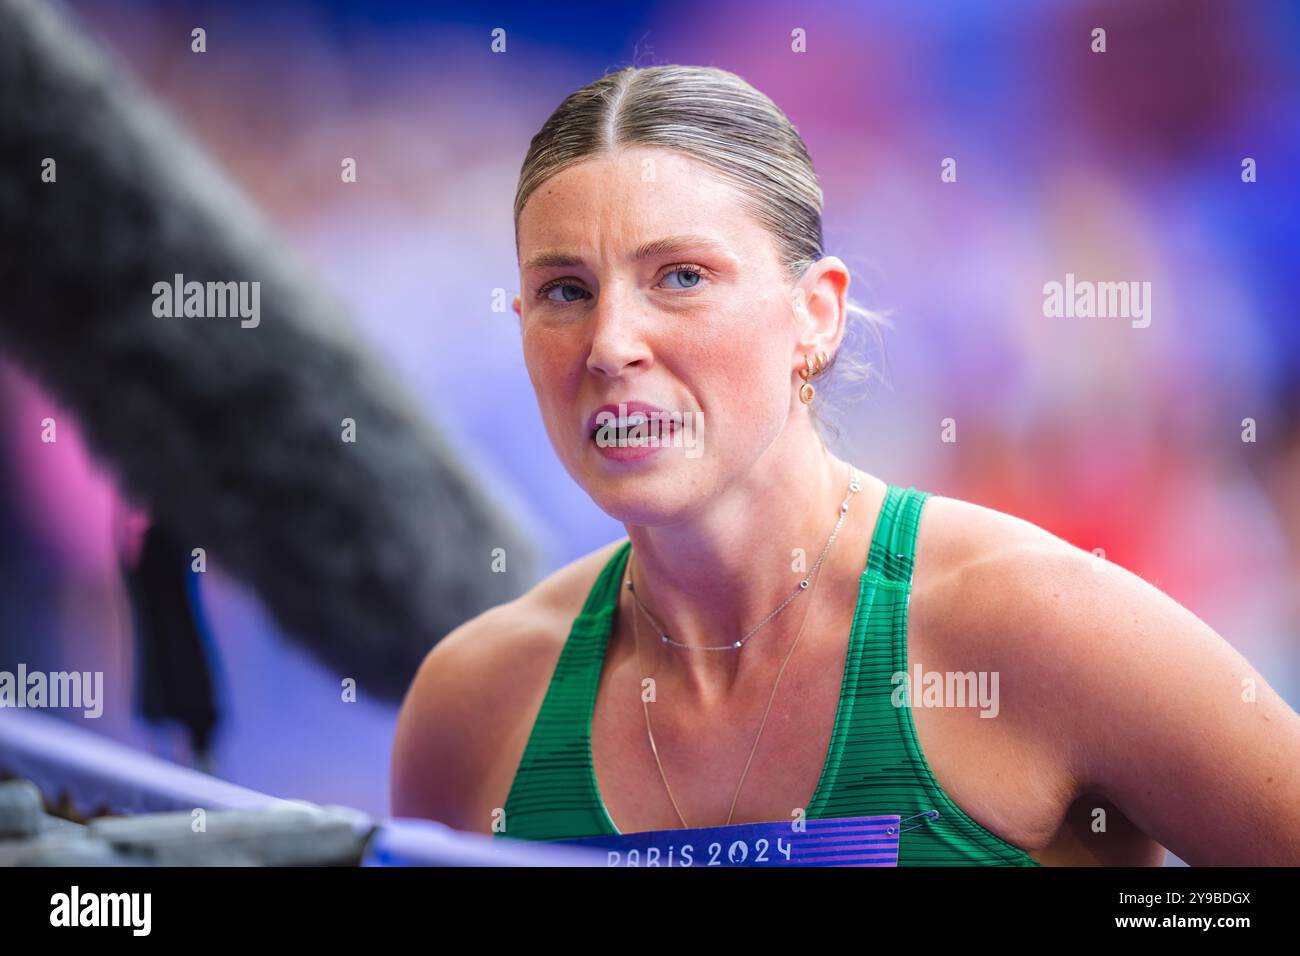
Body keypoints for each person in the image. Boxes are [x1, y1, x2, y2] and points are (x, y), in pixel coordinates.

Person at [391, 64, 1300, 865]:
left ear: (815, 317)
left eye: (681, 276)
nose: (611, 343)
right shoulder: (474, 706)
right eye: (566, 291)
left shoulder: (1035, 626)